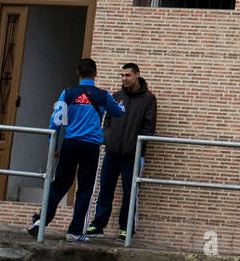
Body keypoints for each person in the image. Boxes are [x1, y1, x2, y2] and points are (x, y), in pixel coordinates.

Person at [27, 58, 124, 242]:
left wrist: (54, 144)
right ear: (96, 73)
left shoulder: (68, 93)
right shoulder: (103, 95)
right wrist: (122, 105)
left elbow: (55, 120)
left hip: (70, 144)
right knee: (85, 189)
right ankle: (75, 231)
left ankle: (40, 221)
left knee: (59, 185)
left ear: (77, 72)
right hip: (90, 147)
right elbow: (118, 112)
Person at [87, 62, 157, 239]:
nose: (124, 79)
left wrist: (136, 147)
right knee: (105, 189)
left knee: (130, 191)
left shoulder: (148, 99)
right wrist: (108, 138)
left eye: (127, 75)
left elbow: (149, 128)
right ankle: (97, 226)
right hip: (112, 152)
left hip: (132, 155)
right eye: (122, 75)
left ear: (137, 75)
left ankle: (126, 229)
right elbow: (107, 122)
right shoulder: (116, 96)